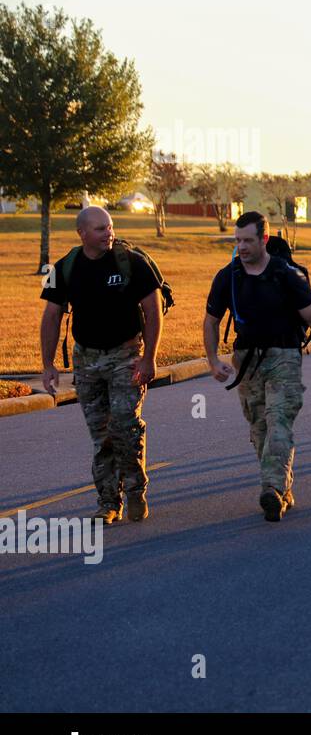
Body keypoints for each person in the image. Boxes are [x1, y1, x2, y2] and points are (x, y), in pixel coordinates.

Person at [203, 211, 311, 522]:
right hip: (246, 360)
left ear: (264, 239)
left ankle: (271, 488)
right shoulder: (228, 276)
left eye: (248, 240)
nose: (242, 247)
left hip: (284, 357)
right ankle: (283, 489)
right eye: (238, 241)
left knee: (279, 422)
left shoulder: (286, 274)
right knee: (259, 428)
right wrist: (213, 361)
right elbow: (211, 322)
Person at [39, 207, 163, 524]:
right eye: (99, 229)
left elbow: (153, 309)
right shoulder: (65, 267)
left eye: (109, 227)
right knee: (101, 434)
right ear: (82, 233)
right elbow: (52, 316)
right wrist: (48, 364)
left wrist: (149, 357)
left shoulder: (130, 261)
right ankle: (109, 501)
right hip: (86, 359)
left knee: (125, 425)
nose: (108, 233)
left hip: (126, 354)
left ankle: (136, 491)